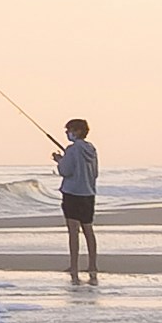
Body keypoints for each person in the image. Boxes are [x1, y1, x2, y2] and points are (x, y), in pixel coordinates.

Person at [53, 115, 103, 280]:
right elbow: (95, 173)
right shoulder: (92, 149)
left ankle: (74, 266)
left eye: (70, 130)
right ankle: (92, 265)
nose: (68, 133)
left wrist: (60, 160)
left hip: (73, 193)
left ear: (78, 131)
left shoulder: (72, 149)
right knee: (88, 230)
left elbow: (66, 171)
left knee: (73, 231)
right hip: (88, 193)